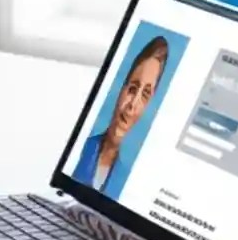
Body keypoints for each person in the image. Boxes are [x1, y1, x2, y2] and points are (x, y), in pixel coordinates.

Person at [71, 36, 169, 197]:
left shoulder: (128, 182)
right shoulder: (79, 149)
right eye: (132, 88)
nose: (133, 104)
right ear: (121, 90)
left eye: (144, 95)